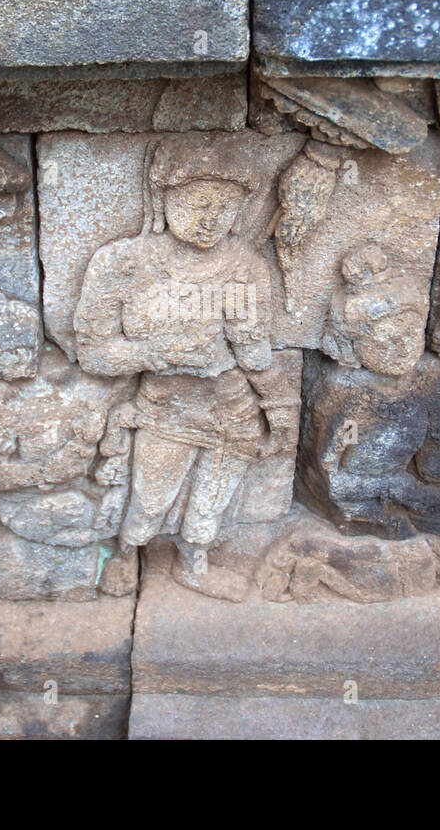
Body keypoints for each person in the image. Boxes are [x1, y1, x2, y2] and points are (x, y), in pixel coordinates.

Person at [75, 137, 297, 600]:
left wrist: (279, 409)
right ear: (162, 198)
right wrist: (158, 354)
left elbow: (255, 353)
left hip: (232, 407)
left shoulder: (245, 267)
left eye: (226, 205)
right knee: (149, 499)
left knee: (211, 503)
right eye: (196, 202)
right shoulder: (124, 263)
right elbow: (94, 352)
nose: (210, 218)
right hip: (164, 406)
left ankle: (194, 562)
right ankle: (126, 553)